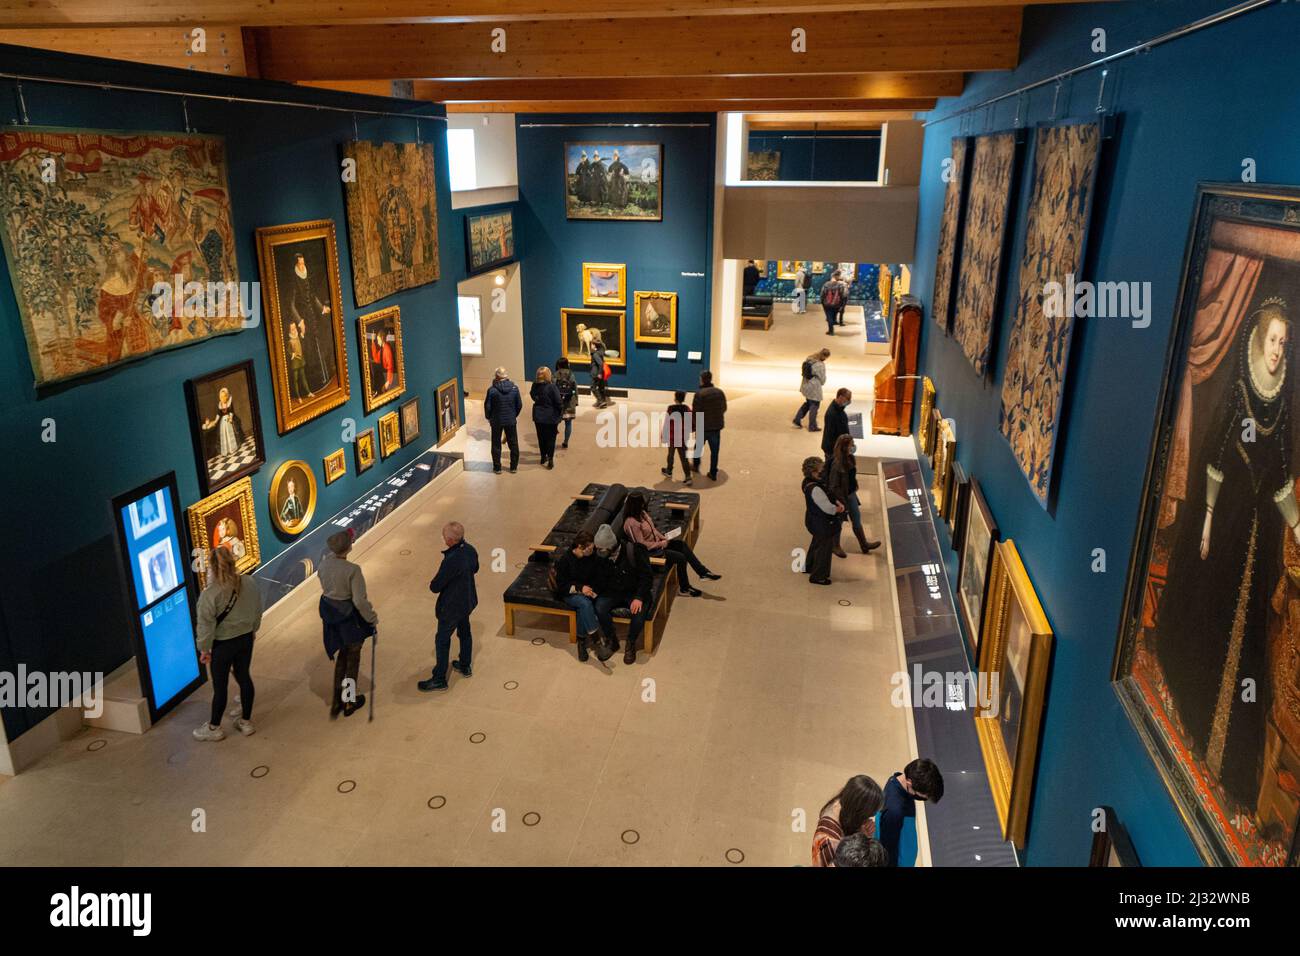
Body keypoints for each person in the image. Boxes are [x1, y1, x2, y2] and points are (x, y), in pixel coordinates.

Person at [193, 547, 263, 741]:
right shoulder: (249, 582)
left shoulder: (209, 595)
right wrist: (253, 629)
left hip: (222, 645)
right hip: (246, 639)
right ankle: (246, 722)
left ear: (212, 568)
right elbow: (257, 609)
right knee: (244, 677)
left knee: (220, 687)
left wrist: (204, 649)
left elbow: (205, 626)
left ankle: (214, 727)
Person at [318, 530, 378, 718]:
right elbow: (359, 601)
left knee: (341, 658)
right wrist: (372, 618)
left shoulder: (323, 565)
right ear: (349, 546)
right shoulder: (352, 570)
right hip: (349, 620)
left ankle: (337, 699)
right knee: (352, 660)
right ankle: (350, 700)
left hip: (331, 616)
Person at [418, 522, 479, 692]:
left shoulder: (451, 560)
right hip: (467, 601)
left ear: (450, 540)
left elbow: (435, 586)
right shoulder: (470, 549)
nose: (444, 539)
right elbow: (475, 568)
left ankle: (439, 678)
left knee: (442, 640)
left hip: (451, 606)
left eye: (445, 537)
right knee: (465, 632)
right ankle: (465, 664)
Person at [622, 491, 720, 597]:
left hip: (658, 544)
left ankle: (703, 572)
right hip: (649, 553)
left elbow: (653, 529)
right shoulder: (631, 523)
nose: (644, 504)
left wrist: (663, 537)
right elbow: (640, 545)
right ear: (636, 505)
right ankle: (684, 588)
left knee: (681, 545)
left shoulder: (642, 513)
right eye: (641, 503)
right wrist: (661, 544)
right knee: (681, 558)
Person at [551, 530, 616, 663]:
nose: (593, 551)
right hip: (569, 593)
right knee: (585, 604)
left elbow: (598, 576)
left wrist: (593, 591)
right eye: (590, 548)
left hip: (587, 592)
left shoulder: (591, 557)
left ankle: (581, 641)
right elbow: (562, 585)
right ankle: (597, 643)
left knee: (584, 606)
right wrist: (581, 589)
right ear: (581, 547)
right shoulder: (566, 560)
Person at [593, 524, 654, 665]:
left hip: (635, 592)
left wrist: (639, 598)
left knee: (638, 614)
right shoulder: (601, 557)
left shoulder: (635, 551)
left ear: (612, 546)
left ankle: (631, 643)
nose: (599, 552)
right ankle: (611, 639)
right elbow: (600, 578)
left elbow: (647, 577)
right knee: (600, 607)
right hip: (613, 591)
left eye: (602, 549)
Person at [879, 758, 945, 867]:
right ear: (909, 783)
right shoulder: (894, 811)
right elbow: (887, 850)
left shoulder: (898, 779)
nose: (924, 798)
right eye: (924, 796)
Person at [812, 774, 883, 867]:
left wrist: (862, 833)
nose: (872, 816)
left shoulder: (841, 802)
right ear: (857, 810)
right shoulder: (832, 844)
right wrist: (863, 839)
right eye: (869, 812)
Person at [829, 434, 882, 556]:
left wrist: (855, 484)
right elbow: (833, 486)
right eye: (851, 445)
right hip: (842, 498)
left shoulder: (850, 458)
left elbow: (851, 476)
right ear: (844, 447)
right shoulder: (837, 464)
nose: (853, 447)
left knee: (856, 519)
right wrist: (840, 501)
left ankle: (864, 545)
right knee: (839, 521)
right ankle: (835, 545)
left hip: (851, 494)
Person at [802, 456, 843, 586]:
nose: (822, 472)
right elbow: (828, 508)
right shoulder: (815, 489)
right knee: (824, 549)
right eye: (820, 470)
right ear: (813, 472)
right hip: (822, 523)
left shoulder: (807, 482)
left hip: (813, 519)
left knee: (816, 543)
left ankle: (809, 566)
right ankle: (818, 576)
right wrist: (838, 509)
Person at [690, 370, 727, 481]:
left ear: (702, 379)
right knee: (715, 451)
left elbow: (695, 412)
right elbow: (724, 408)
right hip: (716, 426)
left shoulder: (699, 394)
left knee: (698, 448)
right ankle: (713, 472)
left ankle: (696, 466)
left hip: (703, 427)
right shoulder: (719, 392)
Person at [484, 367, 522, 474]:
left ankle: (497, 467)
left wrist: (489, 417)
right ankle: (513, 466)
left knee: (496, 444)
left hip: (496, 421)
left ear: (496, 376)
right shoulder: (515, 388)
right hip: (510, 420)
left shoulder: (492, 390)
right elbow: (519, 405)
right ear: (506, 376)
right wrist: (514, 415)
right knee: (513, 443)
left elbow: (487, 407)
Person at [530, 366, 563, 470]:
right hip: (551, 416)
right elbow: (558, 402)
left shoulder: (534, 385)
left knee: (541, 437)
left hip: (538, 416)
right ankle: (551, 459)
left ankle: (542, 457)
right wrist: (560, 414)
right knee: (551, 439)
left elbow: (532, 396)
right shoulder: (552, 387)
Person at [660, 390, 694, 485]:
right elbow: (691, 421)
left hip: (672, 437)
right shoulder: (686, 408)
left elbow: (667, 423)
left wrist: (663, 436)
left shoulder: (670, 408)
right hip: (682, 437)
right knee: (683, 457)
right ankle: (688, 477)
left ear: (675, 398)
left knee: (670, 454)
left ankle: (669, 471)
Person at [793, 348, 829, 431]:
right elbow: (822, 379)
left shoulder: (809, 359)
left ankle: (797, 419)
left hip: (806, 385)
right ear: (826, 357)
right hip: (814, 388)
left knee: (808, 403)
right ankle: (812, 426)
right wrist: (822, 382)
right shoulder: (820, 365)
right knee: (814, 406)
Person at [821, 388, 852, 464]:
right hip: (833, 449)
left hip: (836, 447)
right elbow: (831, 435)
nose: (849, 401)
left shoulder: (839, 408)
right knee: (831, 469)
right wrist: (840, 449)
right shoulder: (832, 413)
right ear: (840, 397)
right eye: (847, 399)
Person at [554, 356, 579, 448]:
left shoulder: (556, 374)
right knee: (568, 423)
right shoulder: (571, 374)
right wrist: (576, 400)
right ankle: (566, 442)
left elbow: (553, 387)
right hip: (569, 401)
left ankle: (553, 436)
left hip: (558, 401)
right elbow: (574, 388)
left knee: (555, 421)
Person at [820, 268, 848, 335]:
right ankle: (832, 324)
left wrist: (822, 302)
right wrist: (842, 304)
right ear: (837, 277)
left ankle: (831, 330)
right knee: (833, 316)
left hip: (827, 304)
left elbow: (822, 294)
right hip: (837, 304)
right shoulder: (840, 285)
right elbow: (843, 295)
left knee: (829, 317)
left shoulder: (826, 284)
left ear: (832, 276)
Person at [589, 332, 611, 409]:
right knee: (601, 387)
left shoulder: (595, 354)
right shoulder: (600, 352)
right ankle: (603, 401)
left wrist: (599, 373)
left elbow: (600, 364)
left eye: (591, 344)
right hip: (601, 372)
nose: (591, 345)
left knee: (593, 387)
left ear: (594, 345)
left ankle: (601, 401)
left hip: (596, 373)